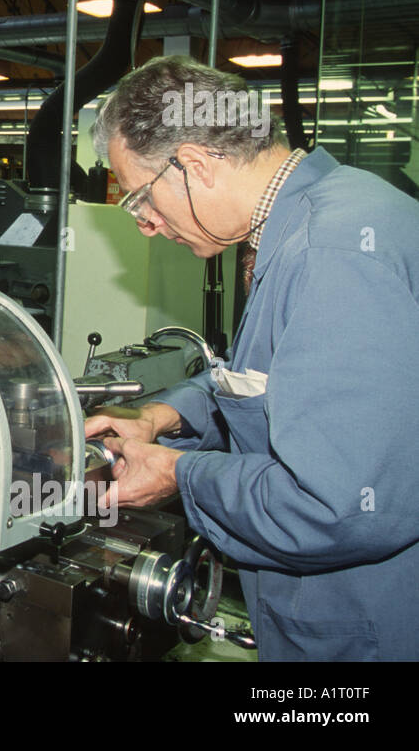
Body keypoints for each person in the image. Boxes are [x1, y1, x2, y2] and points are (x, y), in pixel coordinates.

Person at [84, 54, 419, 661]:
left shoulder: (331, 256)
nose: (146, 226)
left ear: (193, 164)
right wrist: (161, 418)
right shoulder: (315, 219)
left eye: (140, 200)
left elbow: (333, 506)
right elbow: (264, 382)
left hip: (363, 631)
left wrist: (181, 475)